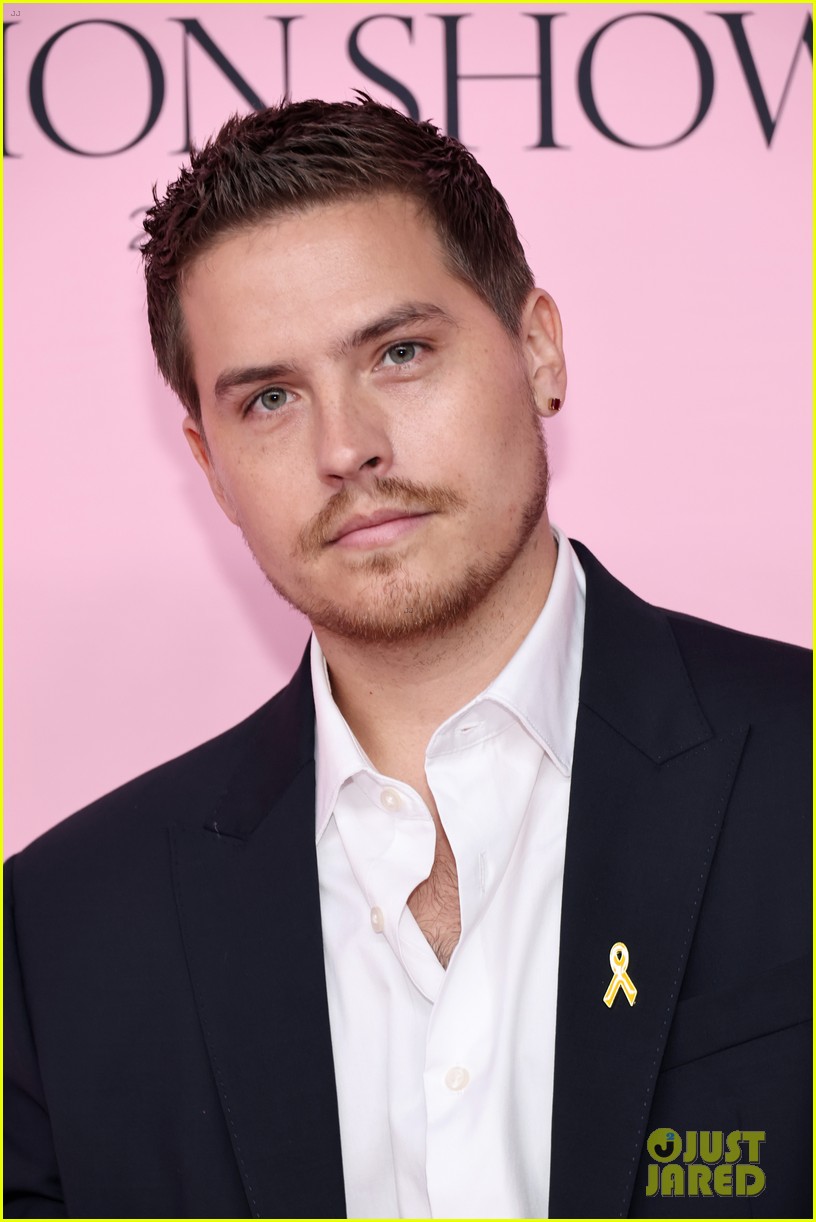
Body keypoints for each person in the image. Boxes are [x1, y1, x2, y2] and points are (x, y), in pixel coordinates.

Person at [5, 97, 810, 1220]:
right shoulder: (59, 937)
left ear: (539, 350)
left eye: (400, 353)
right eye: (271, 398)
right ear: (209, 463)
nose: (346, 448)